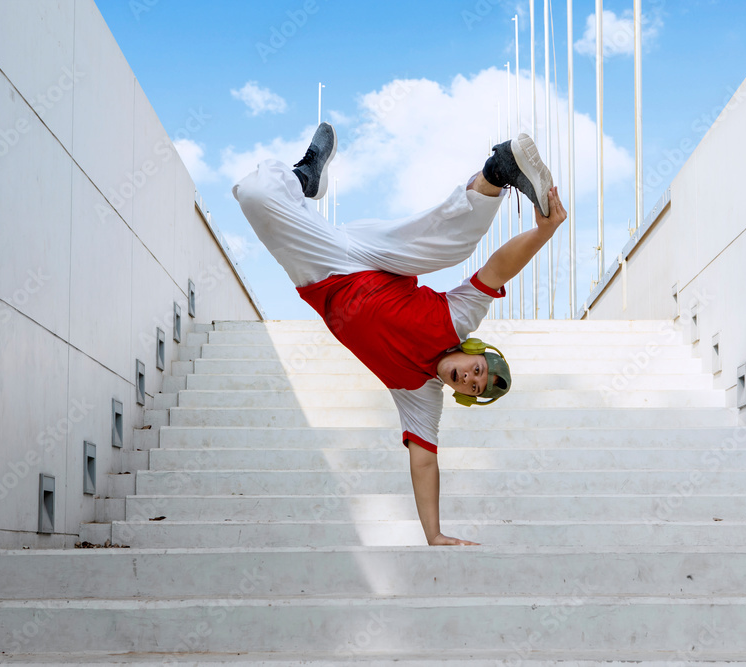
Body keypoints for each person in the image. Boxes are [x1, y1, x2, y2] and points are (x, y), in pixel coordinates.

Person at [233, 123, 566, 546]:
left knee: (254, 193)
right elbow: (497, 269)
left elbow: (425, 464)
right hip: (380, 255)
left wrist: (434, 534)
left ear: (463, 394)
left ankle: (303, 179)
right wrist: (543, 231)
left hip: (328, 272)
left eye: (475, 387)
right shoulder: (457, 321)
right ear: (473, 353)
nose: (470, 378)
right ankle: (499, 170)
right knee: (454, 247)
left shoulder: (418, 394)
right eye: (477, 369)